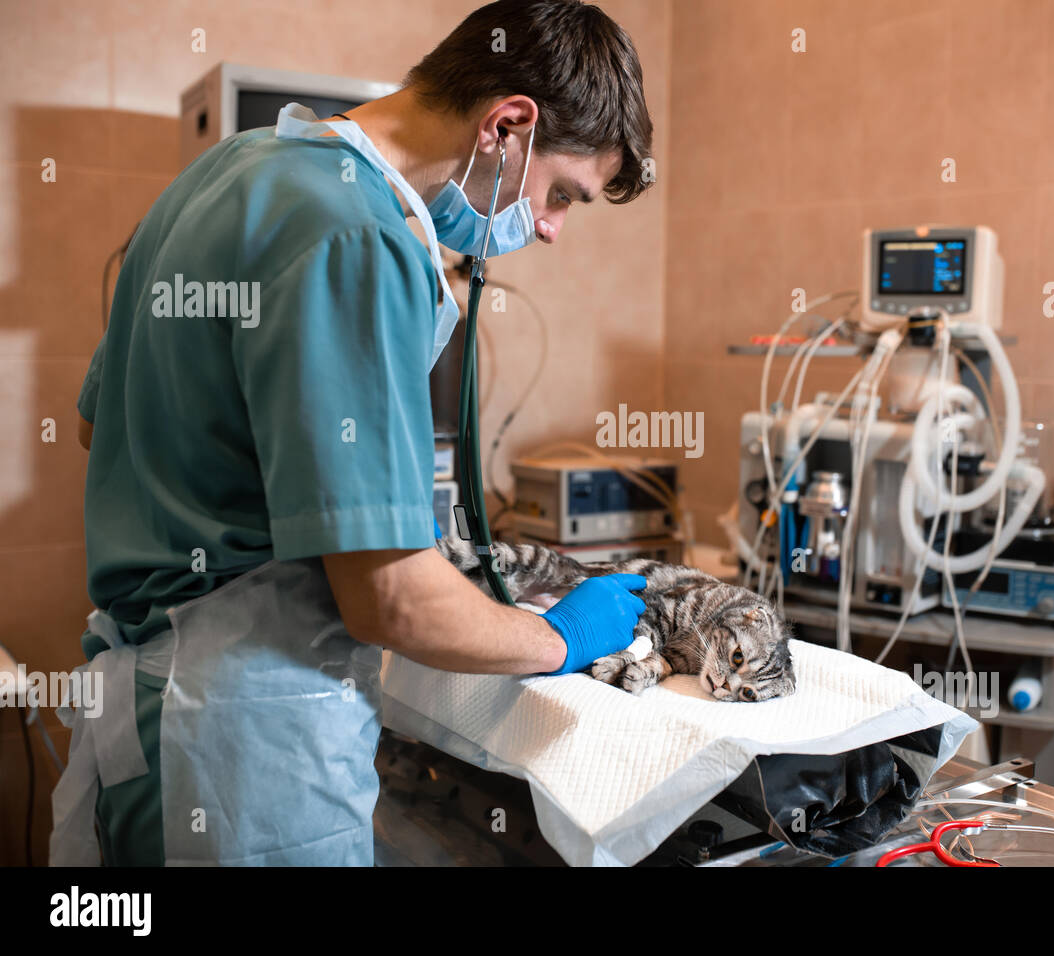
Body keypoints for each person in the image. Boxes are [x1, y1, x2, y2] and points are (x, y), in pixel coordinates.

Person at [55, 0, 654, 866]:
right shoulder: (358, 236)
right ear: (507, 126)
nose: (553, 227)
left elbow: (91, 427)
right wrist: (560, 637)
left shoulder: (224, 173)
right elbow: (393, 599)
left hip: (143, 724)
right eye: (561, 193)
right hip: (240, 753)